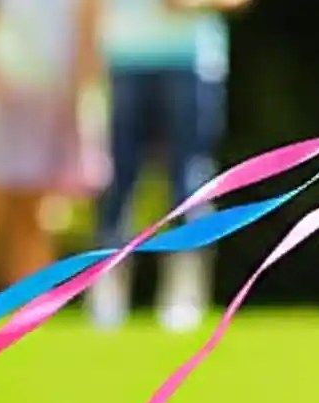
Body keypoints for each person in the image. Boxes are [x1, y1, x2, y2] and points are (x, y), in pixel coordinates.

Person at [87, 0, 251, 332]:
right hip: (122, 61)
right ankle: (107, 295)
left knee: (189, 182)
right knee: (117, 182)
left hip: (189, 62)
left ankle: (184, 298)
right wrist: (85, 63)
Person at [0, 0, 104, 310]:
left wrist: (77, 102)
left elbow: (86, 51)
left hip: (47, 107)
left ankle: (30, 309)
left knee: (33, 216)